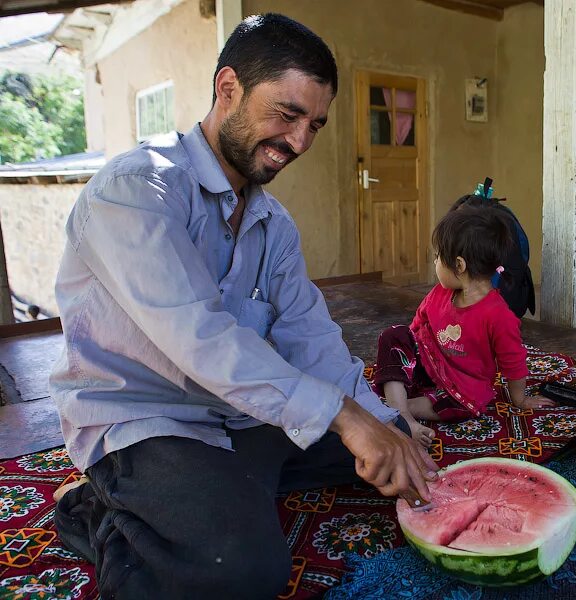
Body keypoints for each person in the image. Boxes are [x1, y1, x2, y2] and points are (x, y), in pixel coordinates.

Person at [49, 14, 435, 599]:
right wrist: (348, 418)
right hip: (146, 422)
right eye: (287, 114)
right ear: (227, 88)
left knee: (377, 451)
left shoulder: (272, 224)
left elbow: (310, 336)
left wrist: (380, 422)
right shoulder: (135, 192)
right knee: (243, 568)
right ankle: (103, 507)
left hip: (237, 413)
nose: (300, 141)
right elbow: (201, 338)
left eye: (315, 124)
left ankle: (223, 488)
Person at [373, 200, 554, 446]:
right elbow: (416, 327)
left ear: (459, 265)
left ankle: (399, 409)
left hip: (462, 387)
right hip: (427, 367)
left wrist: (519, 399)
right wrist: (408, 357)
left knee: (462, 407)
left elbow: (513, 361)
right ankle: (401, 413)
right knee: (393, 335)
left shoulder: (498, 315)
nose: (435, 262)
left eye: (438, 257)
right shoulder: (439, 293)